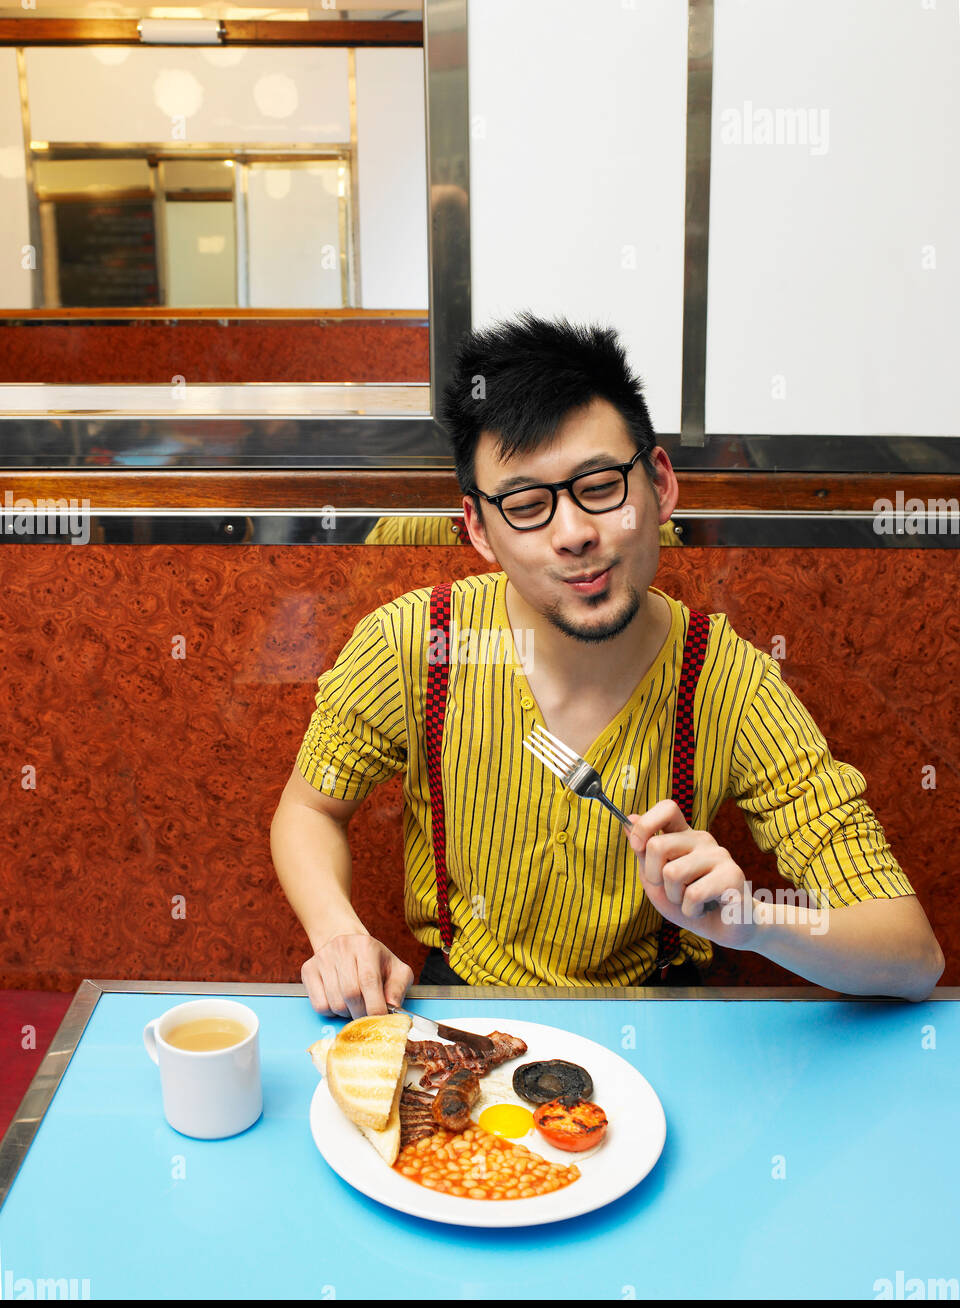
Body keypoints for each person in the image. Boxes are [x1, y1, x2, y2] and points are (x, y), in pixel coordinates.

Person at [271, 312, 944, 1017]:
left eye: (599, 487)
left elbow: (911, 956)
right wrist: (339, 932)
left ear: (659, 483)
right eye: (527, 505)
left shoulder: (732, 685)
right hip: (464, 1004)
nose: (574, 535)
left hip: (657, 1016)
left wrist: (758, 923)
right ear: (479, 529)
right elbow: (310, 809)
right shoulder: (414, 643)